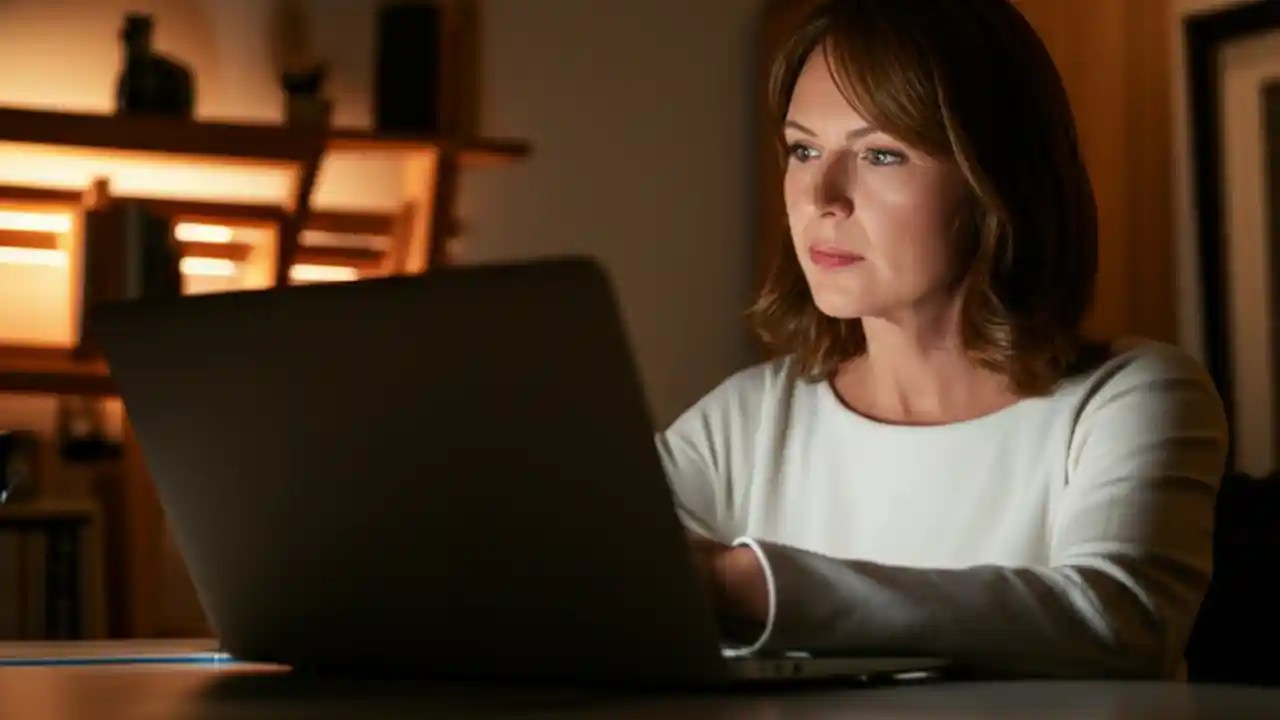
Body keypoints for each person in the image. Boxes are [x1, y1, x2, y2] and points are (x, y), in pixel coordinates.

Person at [657, 0, 1228, 679]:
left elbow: (1116, 620)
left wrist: (742, 581)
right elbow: (582, 568)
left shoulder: (1129, 395)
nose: (822, 196)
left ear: (993, 182)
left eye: (881, 154)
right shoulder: (747, 418)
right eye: (803, 149)